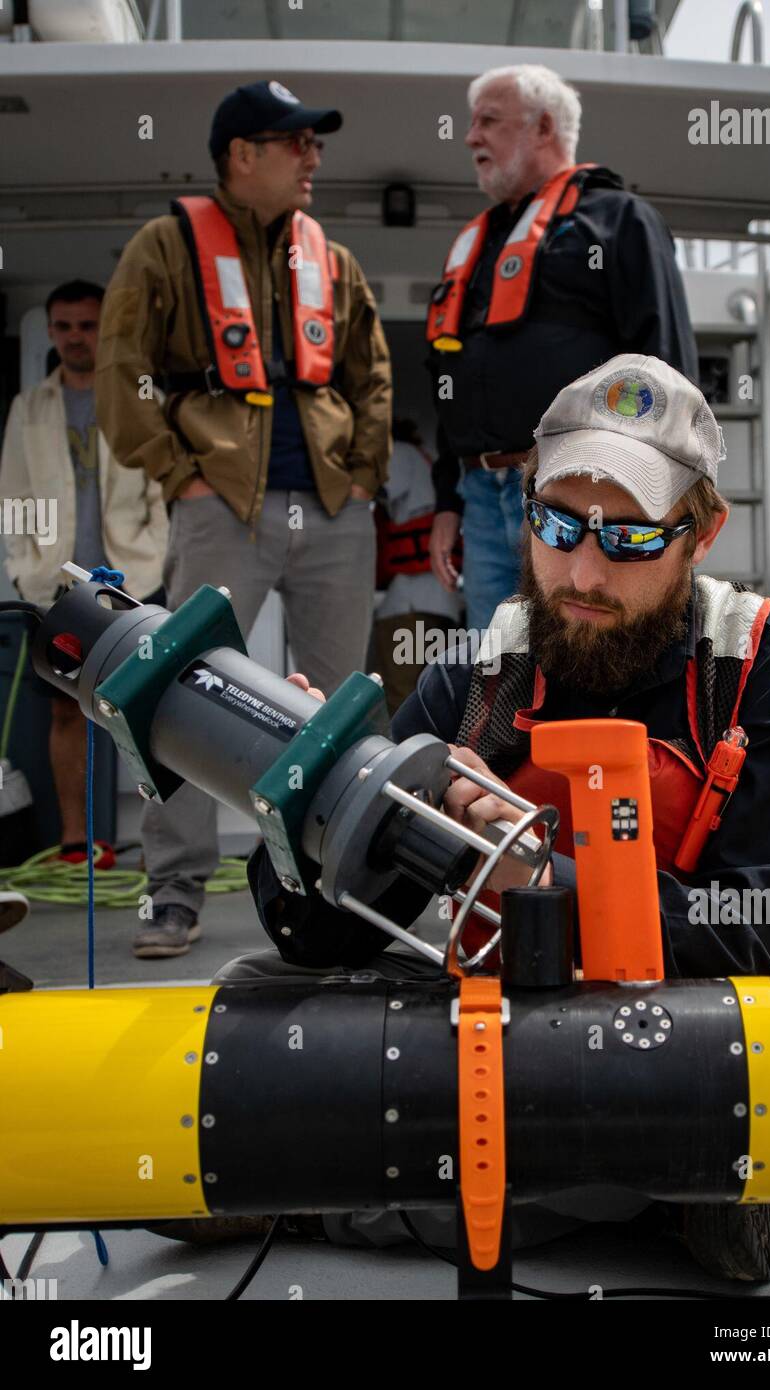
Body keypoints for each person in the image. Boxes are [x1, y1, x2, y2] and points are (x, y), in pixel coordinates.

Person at [220, 355, 770, 1280]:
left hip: (699, 1030)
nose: (584, 570)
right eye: (556, 525)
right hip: (519, 1023)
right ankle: (661, 1197)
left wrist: (530, 876)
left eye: (628, 538)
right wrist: (309, 804)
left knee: (660, 1082)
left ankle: (320, 1196)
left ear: (702, 531)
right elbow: (320, 941)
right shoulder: (486, 672)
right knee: (257, 991)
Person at [95, 79, 392, 958]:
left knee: (344, 706)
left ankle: (344, 883)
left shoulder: (331, 259)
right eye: (295, 142)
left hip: (335, 514)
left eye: (315, 144)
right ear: (241, 155)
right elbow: (121, 369)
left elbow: (371, 377)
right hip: (221, 506)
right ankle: (174, 890)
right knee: (179, 700)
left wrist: (364, 476)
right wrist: (179, 474)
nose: (313, 158)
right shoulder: (163, 247)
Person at [426, 63, 697, 635]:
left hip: (579, 499)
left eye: (489, 122)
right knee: (496, 668)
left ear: (544, 127)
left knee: (584, 659)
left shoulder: (621, 220)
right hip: (480, 494)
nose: (470, 136)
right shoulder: (476, 242)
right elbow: (448, 373)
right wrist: (447, 499)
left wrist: (659, 504)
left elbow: (667, 371)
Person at [0, 280, 167, 868]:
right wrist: (25, 572)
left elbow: (161, 489)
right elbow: (13, 498)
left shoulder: (136, 400)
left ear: (106, 331)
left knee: (152, 711)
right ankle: (79, 845)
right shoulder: (30, 407)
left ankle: (160, 848)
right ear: (51, 332)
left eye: (88, 326)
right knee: (65, 710)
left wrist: (149, 560)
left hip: (134, 587)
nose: (76, 337)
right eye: (65, 326)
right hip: (56, 590)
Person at [373, 416, 463, 715]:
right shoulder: (425, 459)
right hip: (444, 605)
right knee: (431, 698)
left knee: (399, 694)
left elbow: (372, 495)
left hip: (410, 606)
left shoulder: (397, 452)